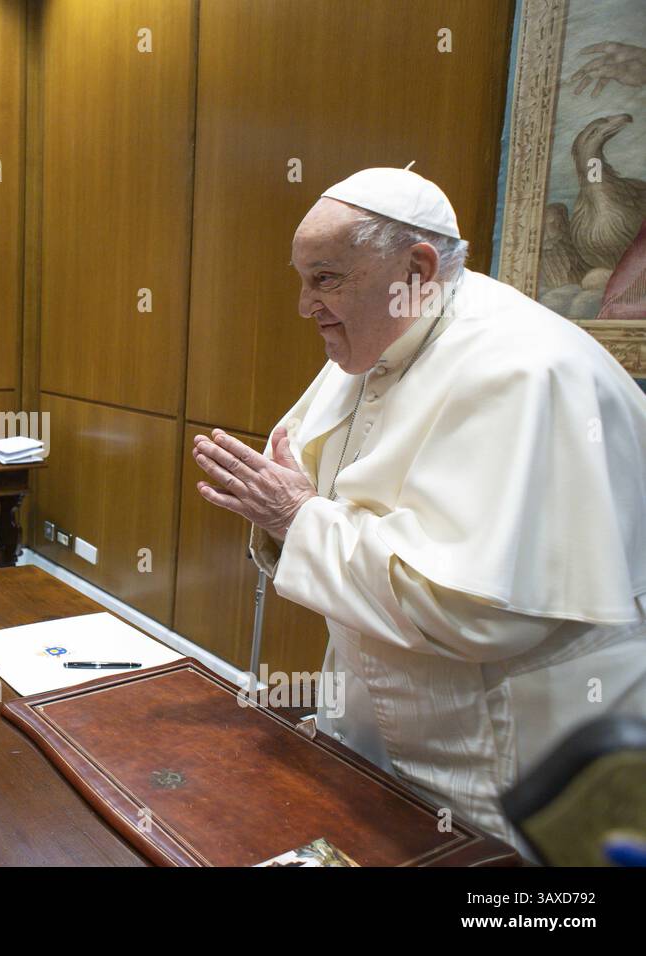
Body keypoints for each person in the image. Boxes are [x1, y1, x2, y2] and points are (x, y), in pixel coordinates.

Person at [191, 167, 646, 848]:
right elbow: (311, 494)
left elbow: (473, 606)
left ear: (417, 266)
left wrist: (296, 519)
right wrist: (289, 516)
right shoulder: (382, 341)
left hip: (499, 750)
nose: (304, 304)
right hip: (385, 721)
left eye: (325, 279)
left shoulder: (524, 370)